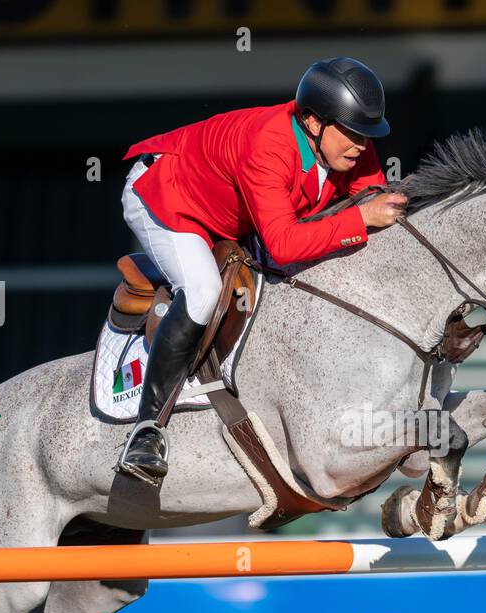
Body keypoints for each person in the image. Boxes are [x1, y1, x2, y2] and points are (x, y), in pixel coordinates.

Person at [116, 57, 408, 485]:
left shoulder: (349, 142)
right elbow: (287, 243)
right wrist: (363, 220)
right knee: (202, 291)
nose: (361, 146)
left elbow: (377, 204)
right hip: (168, 197)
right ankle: (147, 430)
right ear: (311, 121)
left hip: (235, 215)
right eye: (350, 133)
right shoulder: (268, 146)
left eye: (367, 134)